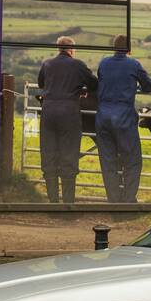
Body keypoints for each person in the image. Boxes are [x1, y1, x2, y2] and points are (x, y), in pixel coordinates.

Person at [37, 36, 97, 203]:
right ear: (72, 50)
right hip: (69, 114)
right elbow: (94, 84)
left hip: (48, 112)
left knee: (49, 155)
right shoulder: (78, 64)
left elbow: (41, 84)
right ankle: (68, 203)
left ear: (59, 48)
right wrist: (81, 90)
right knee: (69, 156)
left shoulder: (47, 63)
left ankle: (53, 202)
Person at [95, 35, 151, 202]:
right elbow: (148, 86)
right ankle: (128, 202)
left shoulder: (104, 63)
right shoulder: (133, 64)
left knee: (108, 163)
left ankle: (113, 201)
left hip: (103, 118)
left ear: (114, 48)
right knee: (133, 161)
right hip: (124, 119)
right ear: (129, 49)